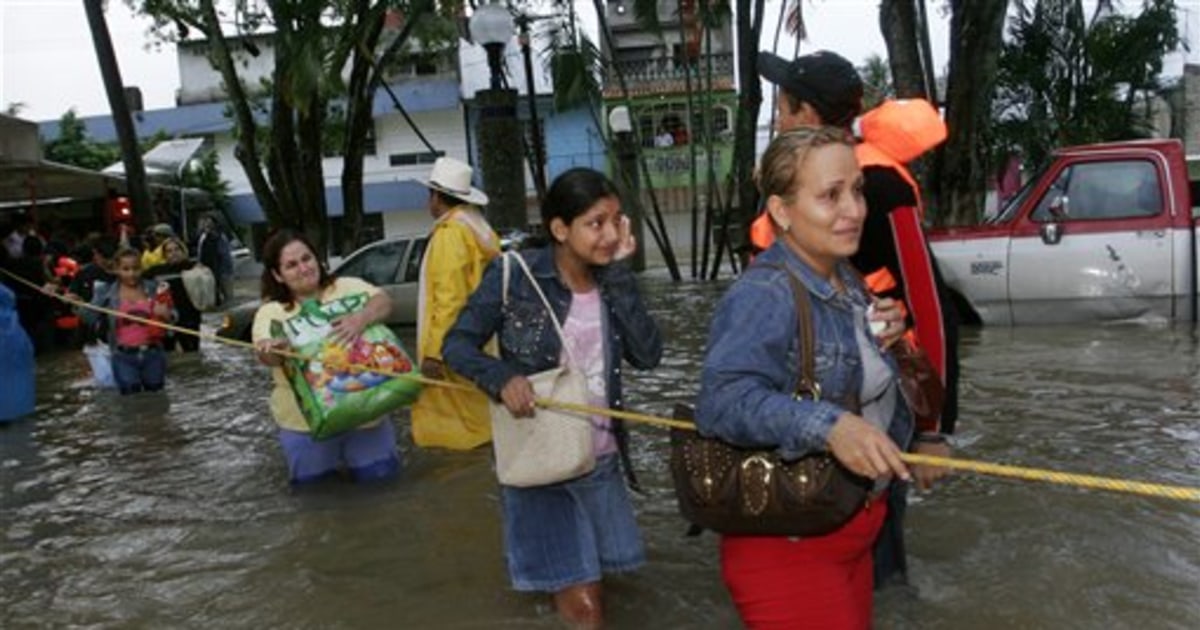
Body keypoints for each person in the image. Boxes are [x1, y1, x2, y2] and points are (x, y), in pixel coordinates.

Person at [697, 127, 949, 628]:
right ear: (782, 211)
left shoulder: (846, 278)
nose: (854, 209)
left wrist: (898, 353)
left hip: (850, 526)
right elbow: (721, 401)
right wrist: (831, 426)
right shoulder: (765, 292)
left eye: (856, 190)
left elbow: (859, 384)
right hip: (788, 546)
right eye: (830, 195)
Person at [756, 49, 959, 587]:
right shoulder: (793, 191)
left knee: (878, 551)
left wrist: (934, 431)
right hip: (812, 404)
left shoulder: (881, 187)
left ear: (805, 114)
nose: (777, 118)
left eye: (782, 106)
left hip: (881, 399)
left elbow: (931, 307)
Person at [442, 168, 663, 628]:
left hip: (601, 459)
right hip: (541, 461)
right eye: (596, 223)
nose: (610, 234)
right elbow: (456, 345)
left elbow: (648, 354)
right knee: (585, 604)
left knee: (612, 586)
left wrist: (620, 272)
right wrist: (501, 377)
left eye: (617, 220)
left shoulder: (611, 280)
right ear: (560, 229)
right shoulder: (513, 275)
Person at [251, 229, 400, 485]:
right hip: (305, 425)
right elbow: (266, 358)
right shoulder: (271, 312)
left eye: (307, 258)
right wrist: (276, 349)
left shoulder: (346, 287)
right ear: (278, 275)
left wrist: (361, 317)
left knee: (384, 487)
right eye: (291, 265)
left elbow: (384, 301)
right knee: (316, 501)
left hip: (368, 412)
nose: (303, 268)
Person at [410, 157, 502, 450]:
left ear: (436, 197)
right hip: (480, 341)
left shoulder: (450, 235)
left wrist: (436, 353)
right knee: (481, 412)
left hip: (452, 348)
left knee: (456, 429)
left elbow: (449, 299)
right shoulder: (479, 230)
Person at [82, 247, 174, 395]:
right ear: (117, 269)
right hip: (123, 356)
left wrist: (167, 314)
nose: (131, 273)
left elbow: (175, 316)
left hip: (153, 354)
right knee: (131, 401)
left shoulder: (154, 288)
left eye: (136, 268)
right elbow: (89, 318)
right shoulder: (106, 292)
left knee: (157, 399)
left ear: (141, 268)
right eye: (126, 269)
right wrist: (76, 303)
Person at [145, 237, 202, 353]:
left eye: (176, 249)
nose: (174, 253)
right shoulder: (156, 271)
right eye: (169, 251)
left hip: (190, 319)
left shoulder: (193, 267)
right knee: (167, 353)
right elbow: (138, 283)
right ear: (164, 255)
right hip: (166, 320)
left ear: (183, 251)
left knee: (192, 353)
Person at [196, 214, 235, 306]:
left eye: (209, 223)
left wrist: (227, 271)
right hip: (208, 270)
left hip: (221, 269)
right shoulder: (203, 237)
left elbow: (225, 255)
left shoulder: (220, 237)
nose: (206, 225)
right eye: (205, 223)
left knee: (227, 295)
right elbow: (200, 253)